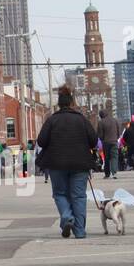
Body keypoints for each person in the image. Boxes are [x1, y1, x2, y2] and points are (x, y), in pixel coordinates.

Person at [36, 87, 97, 239]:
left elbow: (41, 141)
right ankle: (80, 231)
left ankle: (67, 216)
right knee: (79, 196)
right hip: (80, 164)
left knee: (60, 193)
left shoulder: (52, 120)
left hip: (57, 164)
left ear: (59, 103)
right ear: (71, 102)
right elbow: (94, 140)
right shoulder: (81, 119)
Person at [95, 109, 121, 180]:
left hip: (106, 142)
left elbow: (100, 134)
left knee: (107, 158)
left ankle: (107, 174)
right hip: (114, 141)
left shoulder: (101, 122)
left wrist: (103, 139)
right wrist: (116, 137)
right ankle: (114, 173)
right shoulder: (115, 120)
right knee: (114, 157)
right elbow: (119, 131)